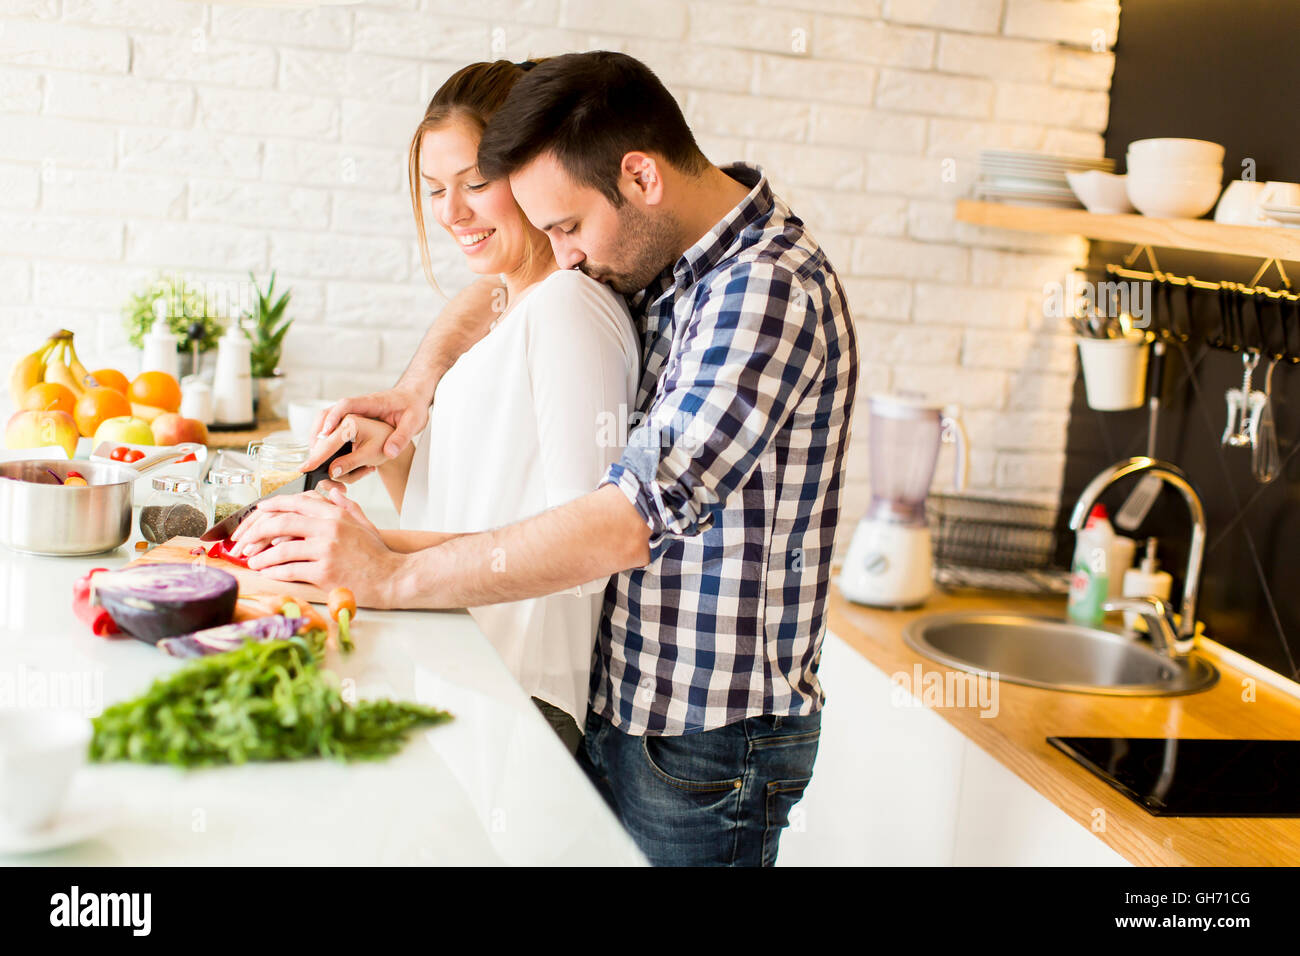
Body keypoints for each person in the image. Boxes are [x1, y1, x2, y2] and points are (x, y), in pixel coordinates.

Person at [230, 51, 858, 867]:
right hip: (629, 705)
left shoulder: (762, 292)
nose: (563, 252)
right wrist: (414, 400)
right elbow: (507, 294)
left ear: (641, 177)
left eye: (564, 225)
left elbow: (615, 525)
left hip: (707, 734)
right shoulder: (669, 255)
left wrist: (383, 570)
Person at [238, 59, 640, 751]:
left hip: (523, 692)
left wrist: (373, 554)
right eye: (434, 190)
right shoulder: (507, 312)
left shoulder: (569, 311)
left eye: (475, 184)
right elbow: (449, 510)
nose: (452, 213)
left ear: (533, 171)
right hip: (460, 666)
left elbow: (584, 549)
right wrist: (389, 449)